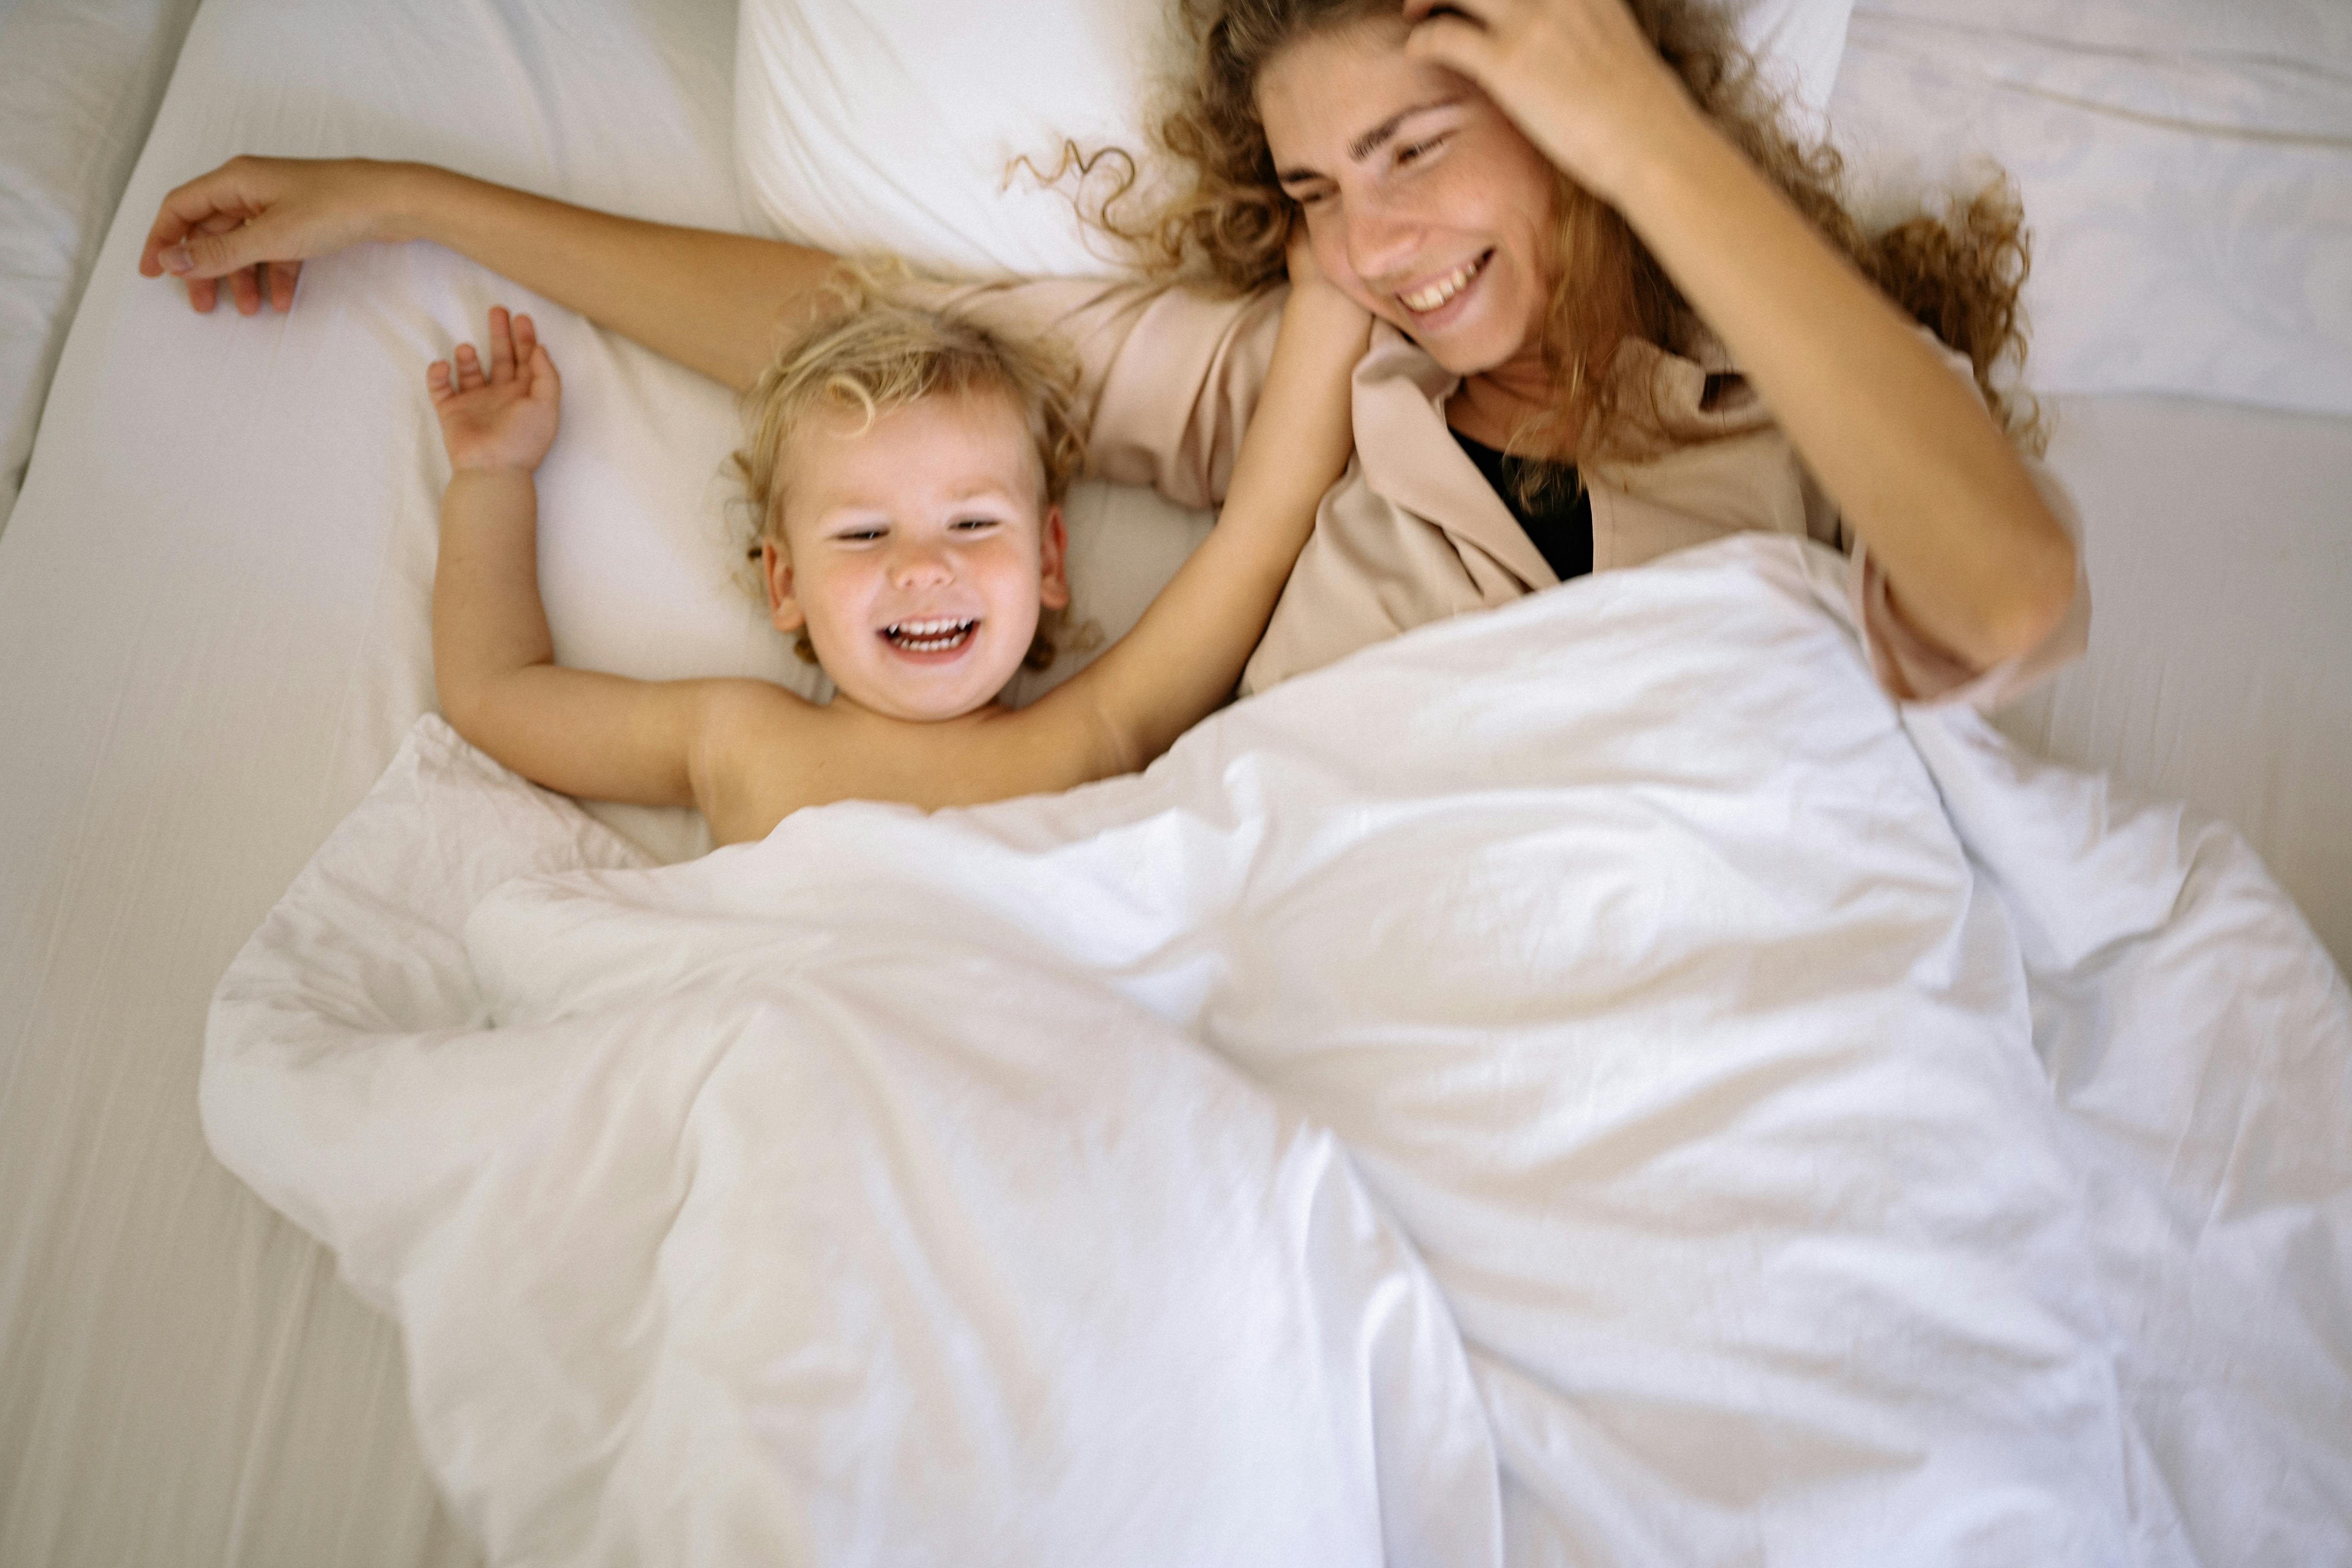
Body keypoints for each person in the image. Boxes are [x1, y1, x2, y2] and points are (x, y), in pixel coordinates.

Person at [140, 0, 2082, 711]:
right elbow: (866, 342)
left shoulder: (1812, 407)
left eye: (1418, 149)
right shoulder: (1321, 385)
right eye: (1321, 187)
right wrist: (414, 196)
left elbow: (2008, 597)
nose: (1377, 244)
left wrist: (1642, 132)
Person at [423, 261, 1366, 845]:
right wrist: (493, 478)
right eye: (865, 533)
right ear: (785, 581)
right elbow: (495, 693)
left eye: (973, 523)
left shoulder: (1095, 730)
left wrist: (1333, 272)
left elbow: (1262, 531)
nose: (921, 566)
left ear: (1050, 559)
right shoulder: (736, 738)